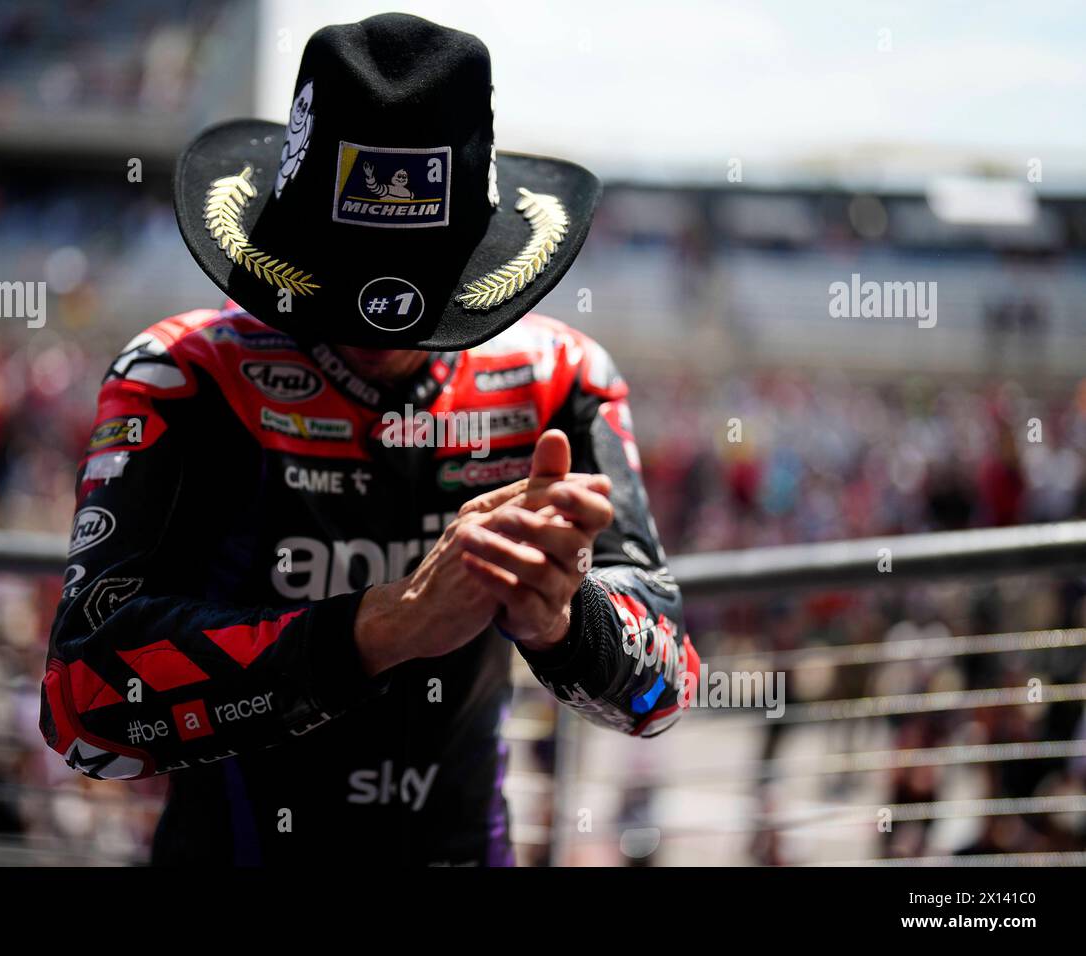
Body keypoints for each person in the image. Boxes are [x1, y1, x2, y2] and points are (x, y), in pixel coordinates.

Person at [39, 13, 697, 866]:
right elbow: (82, 706)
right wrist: (387, 626)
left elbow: (668, 687)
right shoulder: (185, 375)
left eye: (421, 292)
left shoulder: (560, 377)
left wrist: (568, 626)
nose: (377, 329)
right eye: (340, 286)